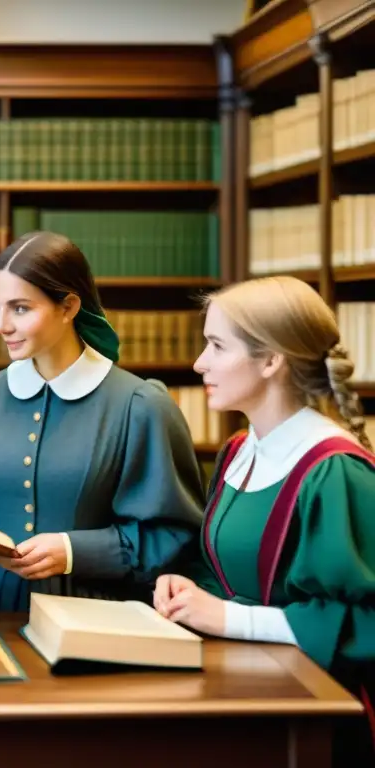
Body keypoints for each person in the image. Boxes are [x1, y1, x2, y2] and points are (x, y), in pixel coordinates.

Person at [153, 276, 375, 765]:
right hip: (244, 690)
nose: (199, 363)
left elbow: (362, 621)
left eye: (216, 346)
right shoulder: (238, 451)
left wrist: (229, 617)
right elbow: (228, 569)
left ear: (271, 360)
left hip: (319, 716)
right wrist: (191, 590)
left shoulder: (334, 470)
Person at [0, 231, 205, 613]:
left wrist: (74, 551)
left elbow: (172, 534)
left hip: (95, 617)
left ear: (69, 306)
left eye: (20, 308)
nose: (0, 325)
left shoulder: (139, 406)